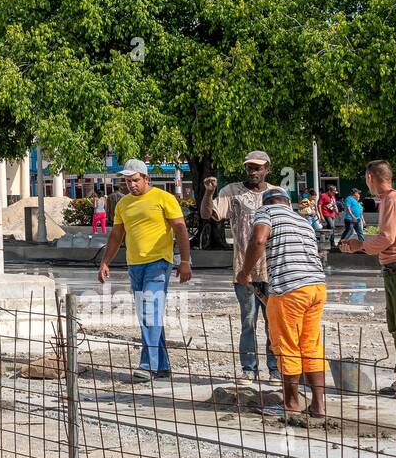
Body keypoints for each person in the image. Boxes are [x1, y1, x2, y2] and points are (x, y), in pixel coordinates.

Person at [97, 159, 192, 381]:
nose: (131, 185)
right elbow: (116, 235)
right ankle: (162, 366)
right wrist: (105, 262)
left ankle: (147, 364)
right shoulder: (123, 204)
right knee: (148, 315)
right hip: (135, 265)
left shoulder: (164, 198)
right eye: (127, 181)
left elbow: (180, 228)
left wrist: (185, 261)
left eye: (135, 180)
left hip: (159, 262)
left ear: (146, 178)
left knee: (150, 309)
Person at [339, 161, 396, 399]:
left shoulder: (392, 199)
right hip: (395, 270)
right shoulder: (391, 200)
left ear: (370, 178)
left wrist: (360, 246)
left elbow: (386, 237)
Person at [239, 187, 328, 416]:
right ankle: (318, 405)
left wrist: (244, 272)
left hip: (290, 289)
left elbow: (259, 240)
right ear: (289, 203)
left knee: (286, 345)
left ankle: (291, 404)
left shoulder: (266, 211)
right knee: (311, 345)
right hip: (316, 287)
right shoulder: (302, 220)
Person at [200, 150, 281, 383]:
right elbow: (209, 214)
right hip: (243, 270)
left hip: (272, 269)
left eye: (258, 167)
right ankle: (249, 368)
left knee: (273, 322)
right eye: (249, 167)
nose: (253, 172)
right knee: (248, 321)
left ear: (267, 168)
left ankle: (275, 368)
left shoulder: (277, 194)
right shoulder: (232, 192)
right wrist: (209, 192)